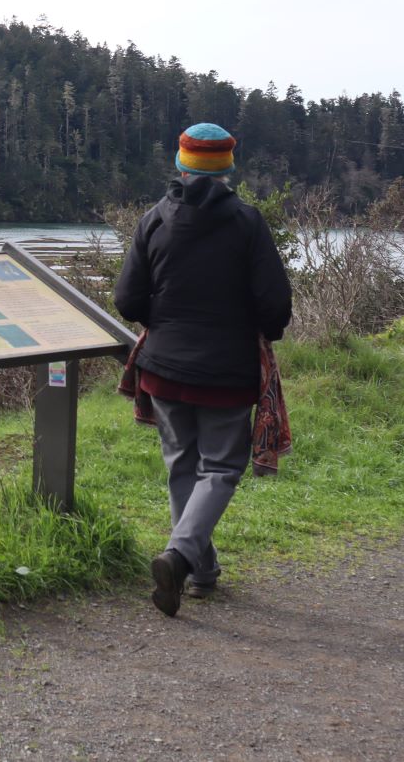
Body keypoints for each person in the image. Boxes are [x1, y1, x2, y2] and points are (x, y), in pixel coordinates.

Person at [112, 122, 292, 616]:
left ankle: (200, 572)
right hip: (226, 373)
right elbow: (274, 305)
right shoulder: (247, 223)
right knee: (220, 469)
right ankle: (180, 557)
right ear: (228, 168)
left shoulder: (154, 219)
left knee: (182, 466)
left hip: (163, 370)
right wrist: (262, 332)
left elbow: (127, 300)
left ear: (181, 164)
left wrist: (164, 323)